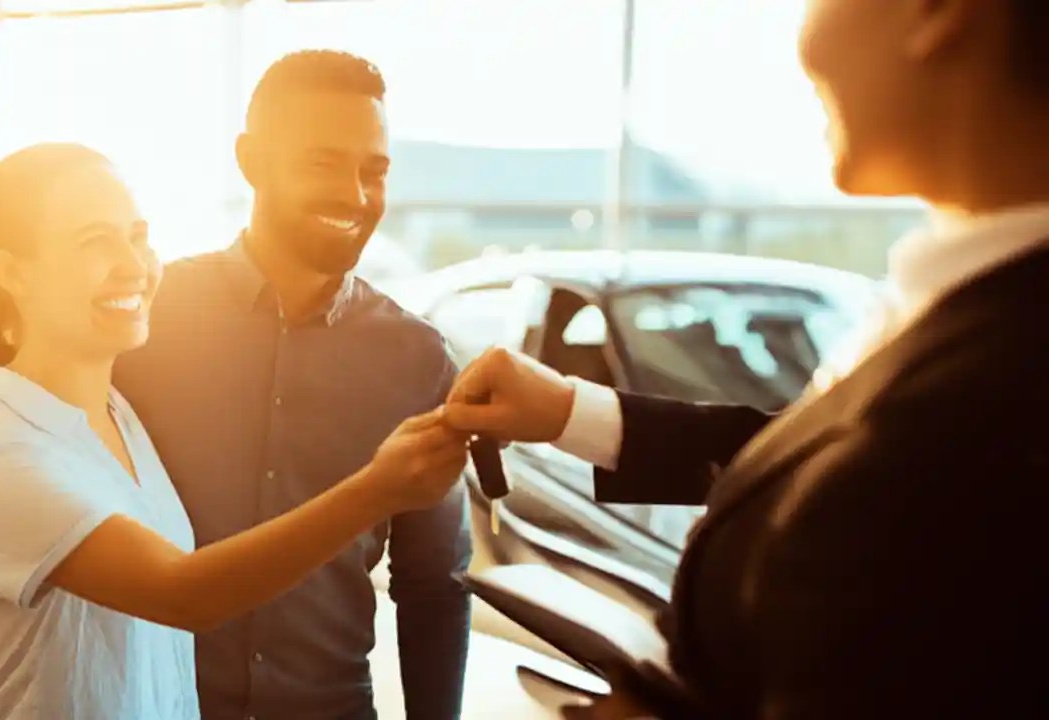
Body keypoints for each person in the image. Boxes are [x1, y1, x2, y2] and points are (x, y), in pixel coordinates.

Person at [444, 1, 1049, 718]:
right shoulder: (973, 305)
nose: (805, 38)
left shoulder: (988, 406)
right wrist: (570, 410)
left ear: (939, 13)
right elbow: (807, 461)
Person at [0, 51, 473, 720]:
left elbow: (434, 586)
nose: (355, 195)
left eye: (374, 170)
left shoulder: (417, 359)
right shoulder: (137, 320)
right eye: (323, 163)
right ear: (250, 161)